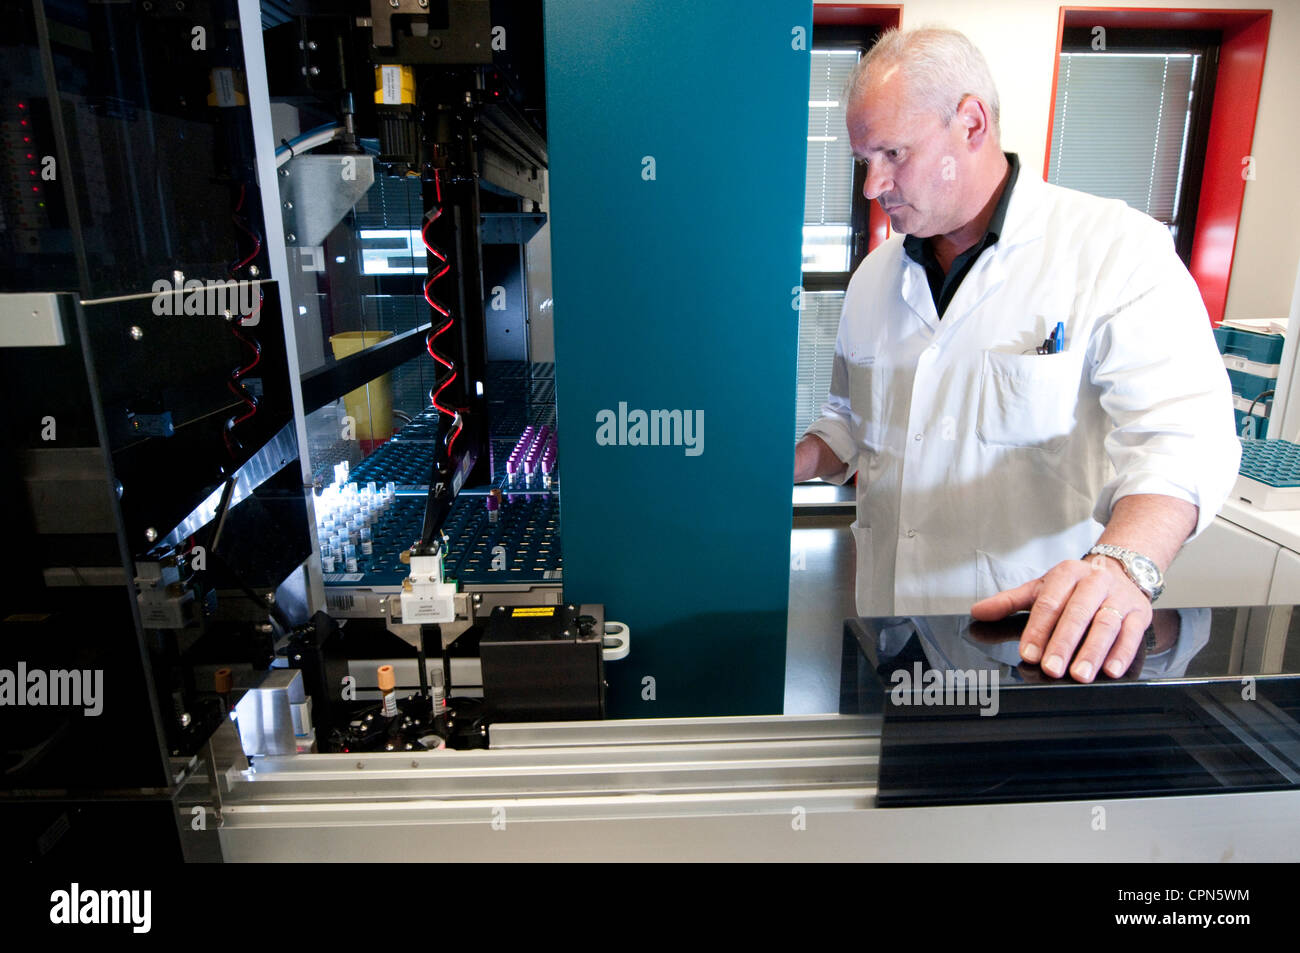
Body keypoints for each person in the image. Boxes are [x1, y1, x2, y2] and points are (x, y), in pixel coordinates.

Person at [793, 26, 1240, 683]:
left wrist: (1121, 565)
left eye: (892, 153)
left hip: (1033, 652)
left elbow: (1181, 441)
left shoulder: (1114, 250)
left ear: (971, 122)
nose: (871, 185)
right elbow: (848, 423)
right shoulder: (872, 279)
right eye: (864, 159)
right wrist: (781, 464)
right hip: (890, 636)